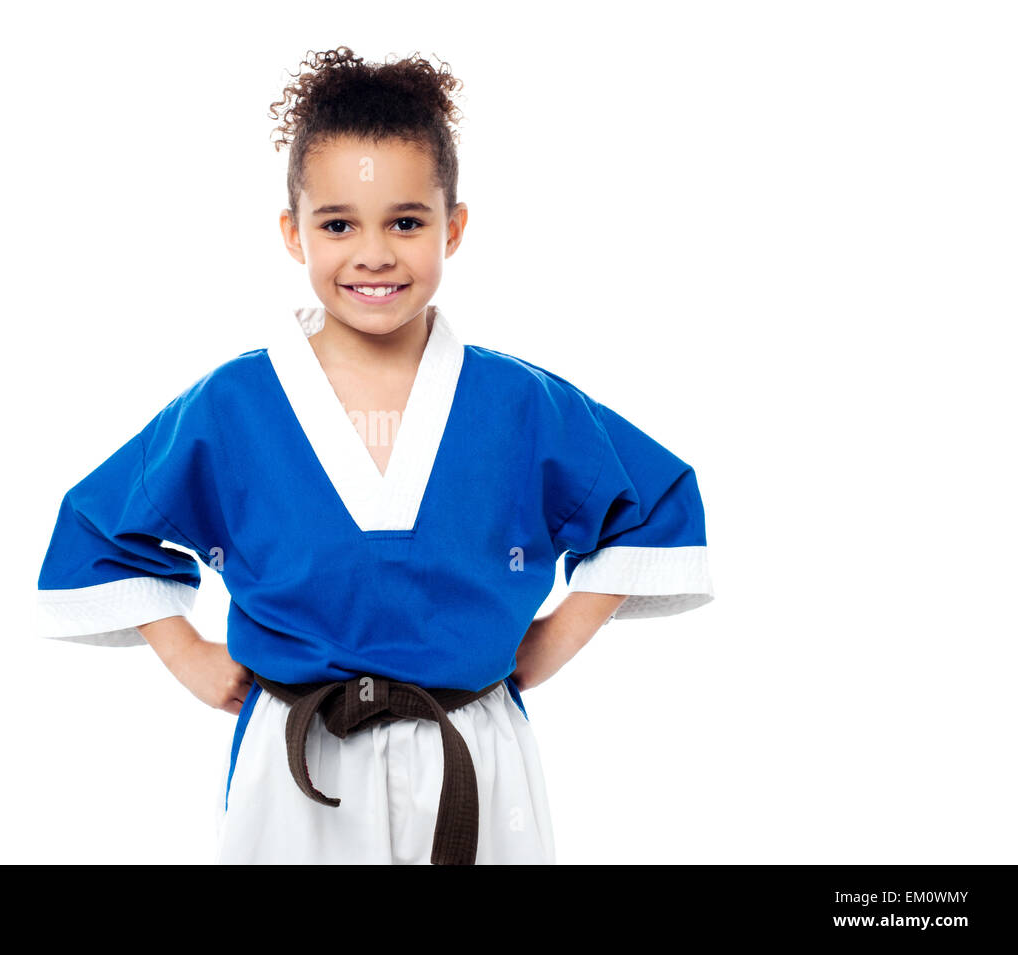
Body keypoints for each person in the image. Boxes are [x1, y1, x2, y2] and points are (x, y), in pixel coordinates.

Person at [35, 46, 714, 865]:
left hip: (472, 754)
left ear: (452, 227)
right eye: (337, 224)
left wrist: (555, 637)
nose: (374, 254)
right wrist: (184, 651)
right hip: (296, 761)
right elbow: (99, 521)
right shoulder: (234, 404)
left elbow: (656, 500)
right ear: (293, 233)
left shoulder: (519, 403)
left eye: (405, 221)